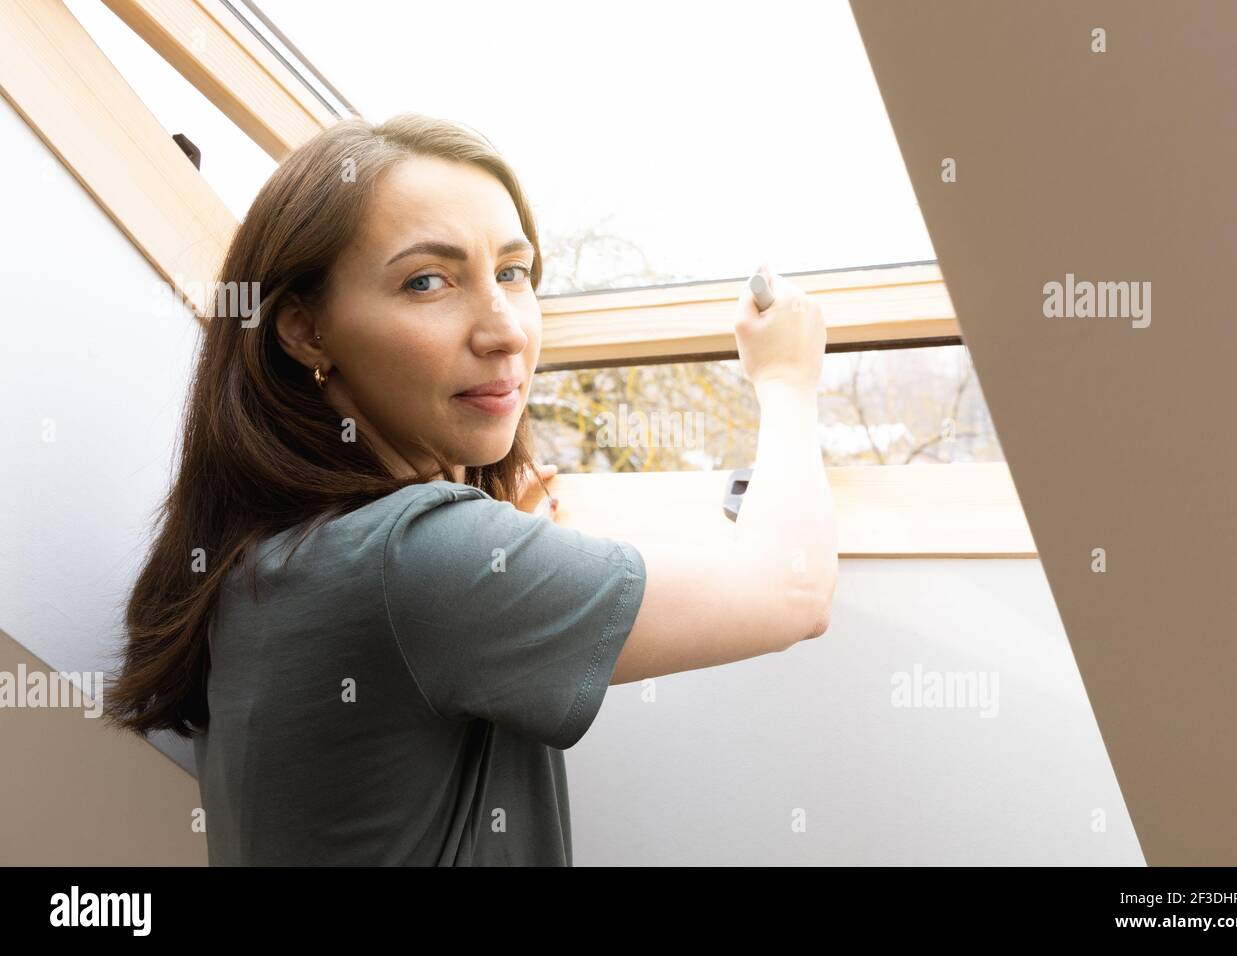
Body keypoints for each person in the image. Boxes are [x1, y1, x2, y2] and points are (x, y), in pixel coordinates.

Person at [103, 114, 838, 865]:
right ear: (305, 331)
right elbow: (793, 592)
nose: (506, 330)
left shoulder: (266, 550)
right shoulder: (418, 560)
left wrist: (495, 543)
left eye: (513, 273)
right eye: (428, 281)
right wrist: (786, 380)